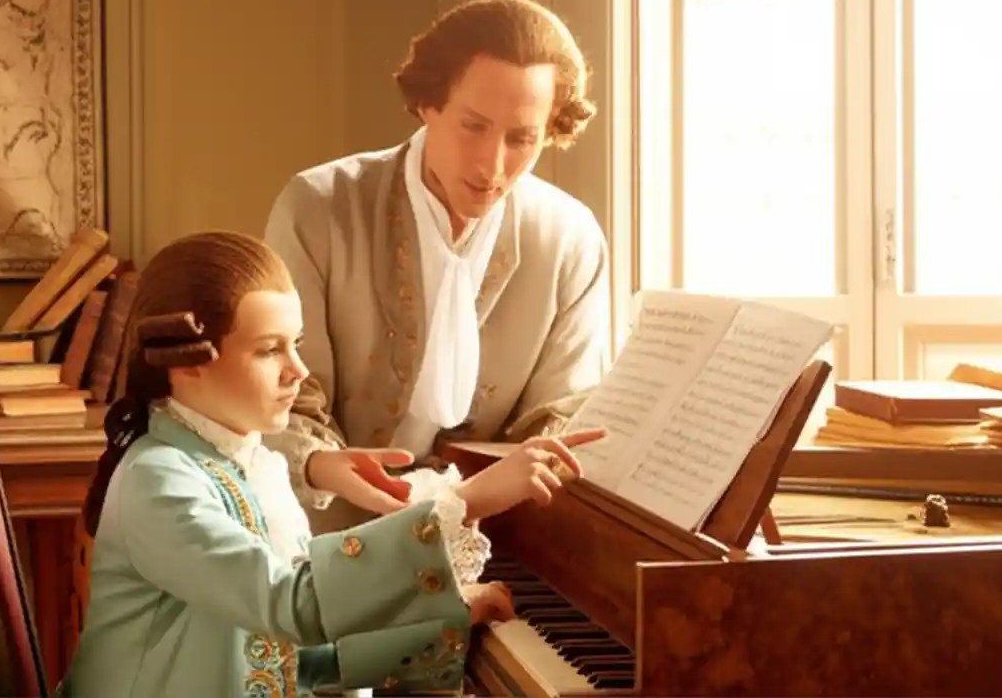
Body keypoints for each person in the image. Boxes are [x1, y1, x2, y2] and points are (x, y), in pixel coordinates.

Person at [58, 231, 604, 697]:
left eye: (295, 344)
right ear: (186, 365)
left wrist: (450, 623)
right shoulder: (159, 480)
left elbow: (302, 663)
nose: (298, 370)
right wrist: (469, 500)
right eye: (269, 349)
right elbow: (293, 605)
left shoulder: (250, 468)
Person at [263, 0, 610, 532]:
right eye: (474, 126)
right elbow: (282, 401)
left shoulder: (570, 238)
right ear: (428, 103)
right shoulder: (319, 207)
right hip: (328, 537)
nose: (492, 165)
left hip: (494, 535)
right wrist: (317, 463)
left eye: (521, 139)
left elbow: (562, 417)